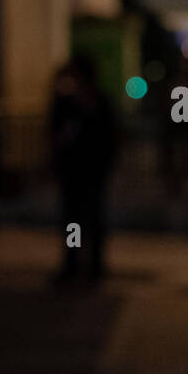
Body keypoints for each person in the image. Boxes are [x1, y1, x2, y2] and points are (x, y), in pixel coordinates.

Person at [49, 56, 117, 284]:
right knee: (73, 222)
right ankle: (73, 264)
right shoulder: (67, 103)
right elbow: (56, 134)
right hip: (74, 173)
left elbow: (109, 137)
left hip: (90, 172)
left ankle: (92, 266)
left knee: (91, 221)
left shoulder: (97, 104)